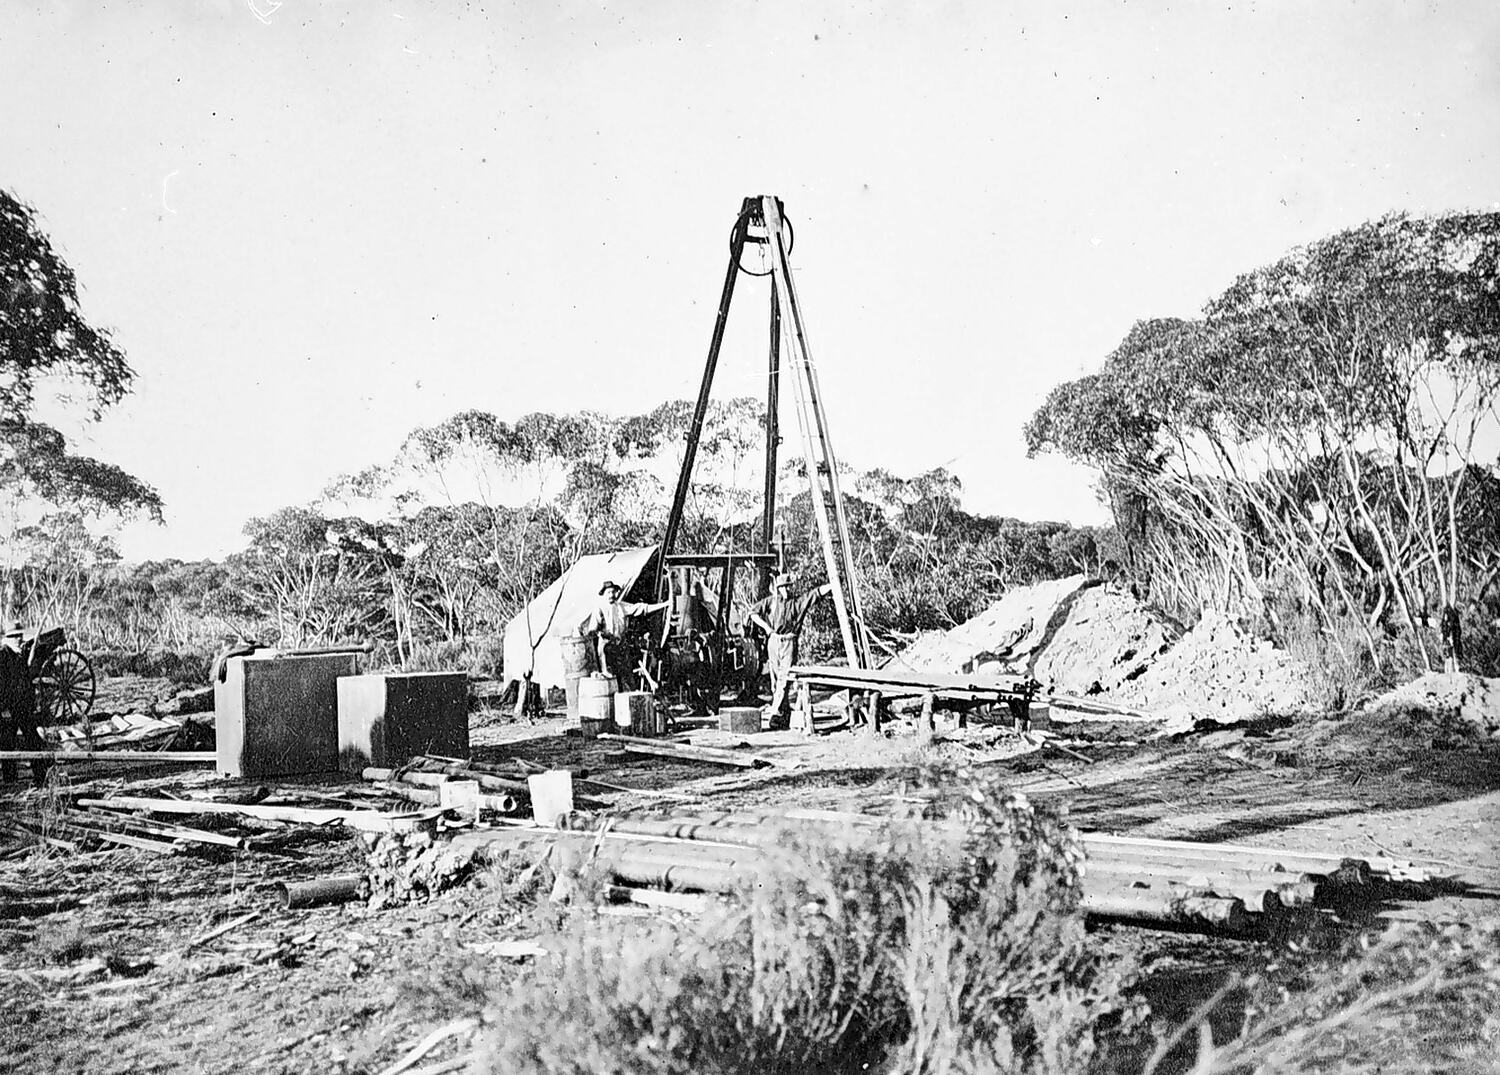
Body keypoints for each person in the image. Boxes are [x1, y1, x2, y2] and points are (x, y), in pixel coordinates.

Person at [748, 574, 832, 723]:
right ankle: (783, 714)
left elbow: (815, 594)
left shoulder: (797, 603)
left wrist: (832, 585)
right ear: (778, 589)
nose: (786, 589)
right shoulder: (771, 602)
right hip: (773, 642)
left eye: (788, 586)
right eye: (783, 587)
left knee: (784, 678)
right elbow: (753, 612)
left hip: (789, 642)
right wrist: (767, 628)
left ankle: (775, 713)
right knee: (775, 681)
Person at [579, 581, 670, 686]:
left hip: (620, 645)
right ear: (604, 594)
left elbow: (641, 608)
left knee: (626, 675)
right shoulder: (599, 608)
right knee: (609, 677)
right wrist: (600, 634)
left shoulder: (621, 607)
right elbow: (592, 630)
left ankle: (627, 696)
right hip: (606, 646)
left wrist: (664, 605)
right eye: (608, 592)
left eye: (613, 592)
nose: (611, 595)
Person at [0, 624, 49, 788]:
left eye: (20, 635)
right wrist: (3, 709)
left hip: (24, 708)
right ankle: (10, 780)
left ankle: (41, 777)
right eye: (15, 636)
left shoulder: (21, 656)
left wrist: (32, 705)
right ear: (7, 639)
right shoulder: (3, 657)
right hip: (8, 709)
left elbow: (26, 683)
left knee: (33, 741)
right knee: (7, 743)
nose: (19, 638)